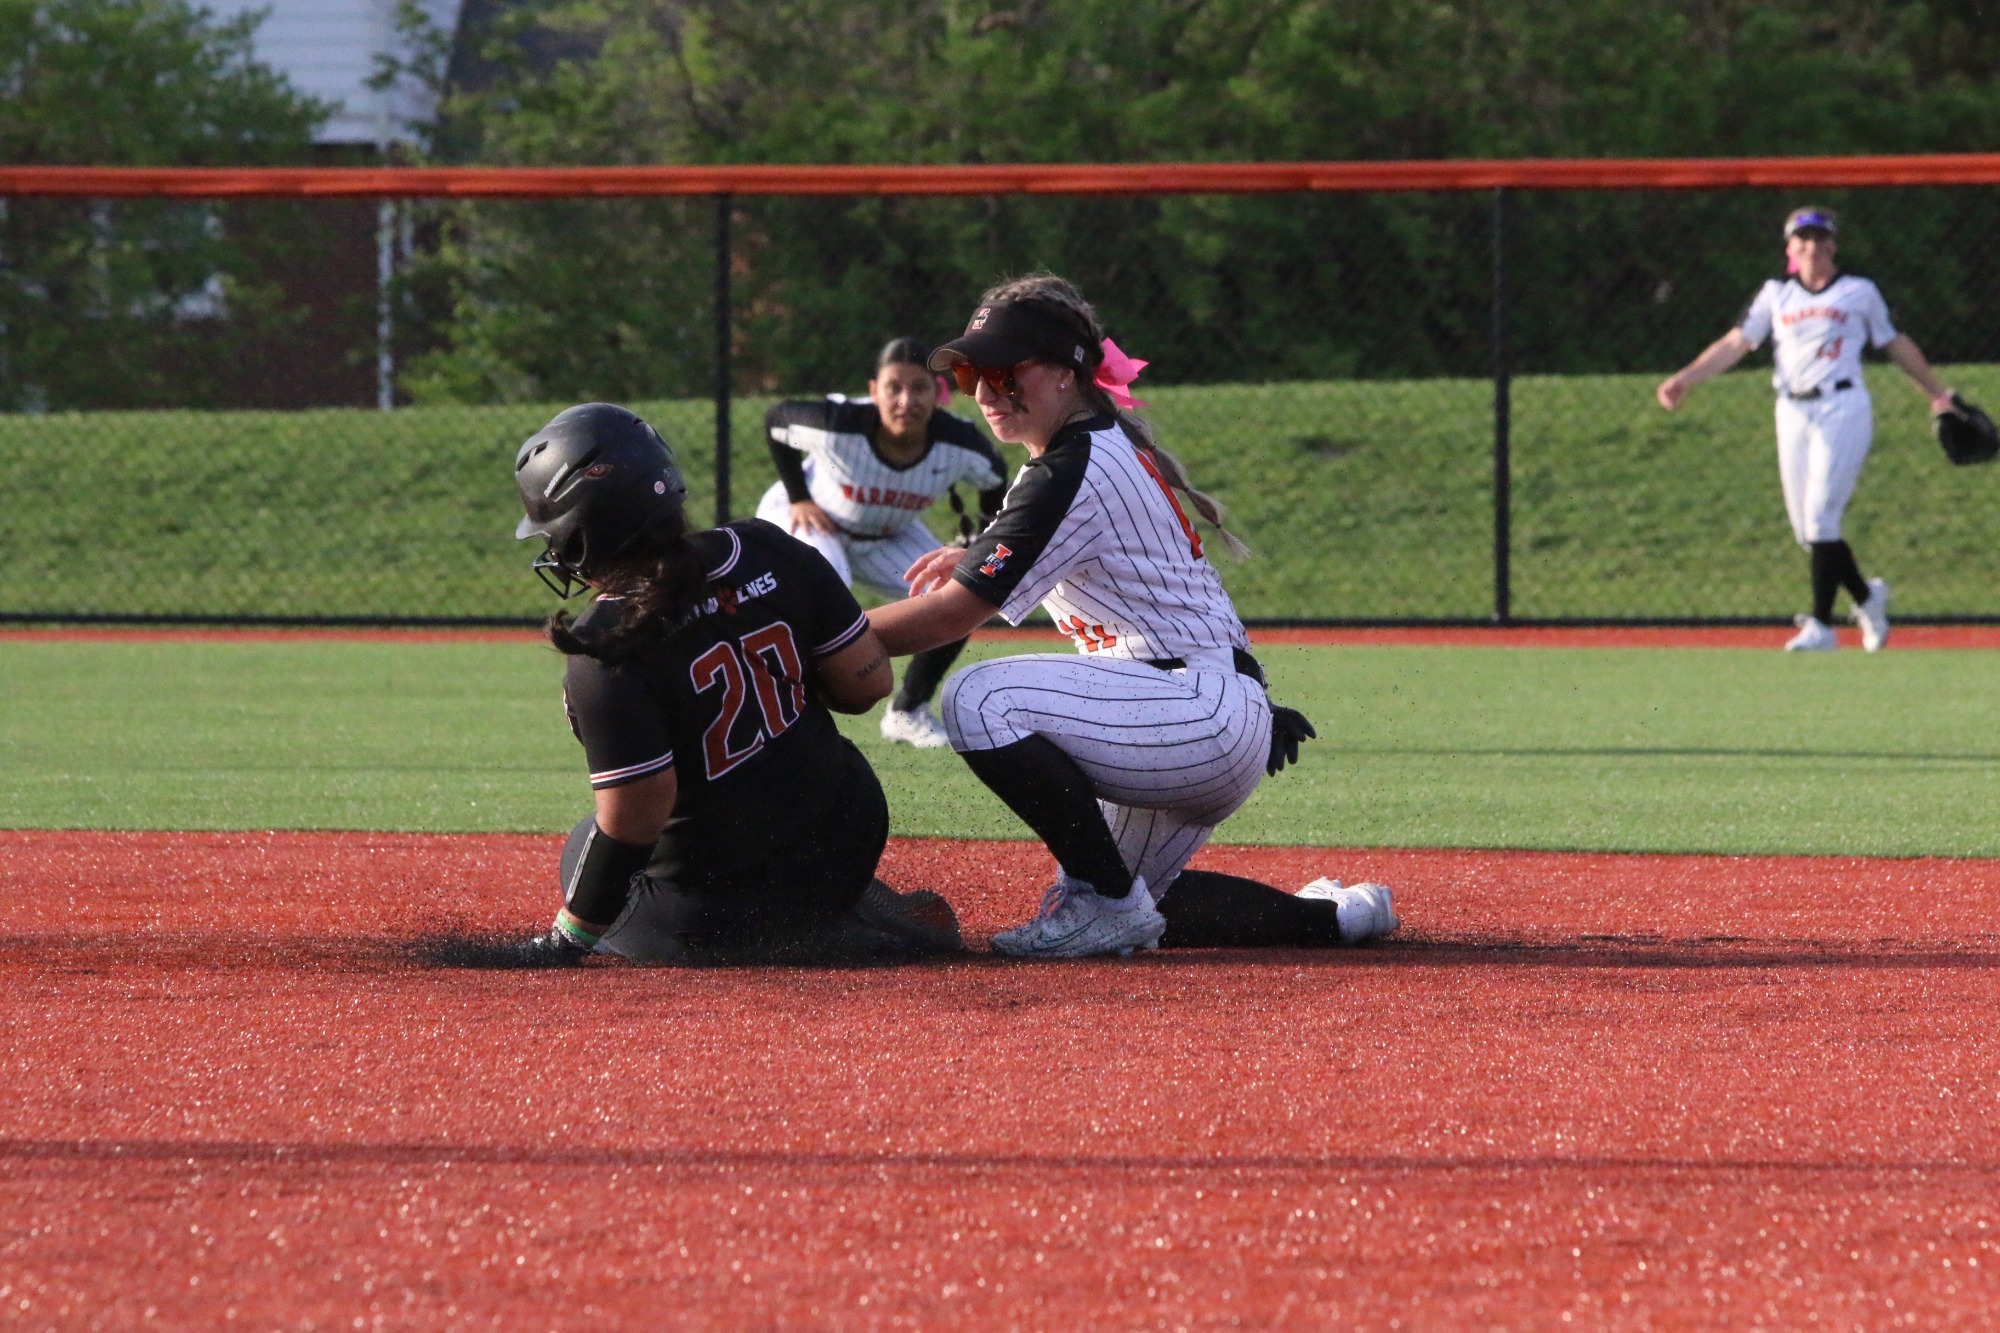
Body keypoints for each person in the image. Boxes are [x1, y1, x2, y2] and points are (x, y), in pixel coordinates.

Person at [866, 274, 1402, 958]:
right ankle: (1339, 918)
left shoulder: (1070, 466)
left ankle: (1108, 901)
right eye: (972, 374)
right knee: (1141, 899)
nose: (984, 391)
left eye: (1003, 371)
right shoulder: (1092, 445)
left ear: (1065, 373)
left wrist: (818, 636)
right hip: (1196, 701)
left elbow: (952, 616)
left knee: (979, 697)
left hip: (1185, 705)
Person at [486, 402, 963, 967]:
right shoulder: (764, 546)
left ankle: (821, 939)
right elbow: (868, 686)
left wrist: (568, 938)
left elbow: (636, 818)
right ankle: (842, 908)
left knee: (582, 848)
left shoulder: (603, 646)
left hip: (722, 899)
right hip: (845, 836)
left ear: (578, 534)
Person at [1657, 206, 1955, 651]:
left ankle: (1821, 625)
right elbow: (1737, 342)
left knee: (1820, 518)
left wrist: (1937, 392)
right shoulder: (1776, 294)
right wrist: (1685, 378)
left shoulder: (1858, 292)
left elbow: (1894, 342)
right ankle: (1866, 597)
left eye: (1820, 238)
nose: (1812, 246)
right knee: (1808, 532)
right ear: (1790, 249)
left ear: (1833, 245)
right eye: (1803, 239)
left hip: (1842, 406)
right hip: (1792, 410)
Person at [759, 337, 1008, 747]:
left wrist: (975, 541)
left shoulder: (957, 442)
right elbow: (776, 421)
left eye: (919, 387)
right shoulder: (839, 422)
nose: (906, 400)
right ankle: (787, 717)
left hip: (888, 535)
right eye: (894, 387)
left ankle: (907, 711)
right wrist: (799, 495)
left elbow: (995, 480)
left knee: (961, 592)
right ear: (874, 391)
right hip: (814, 521)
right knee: (823, 604)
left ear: (937, 392)